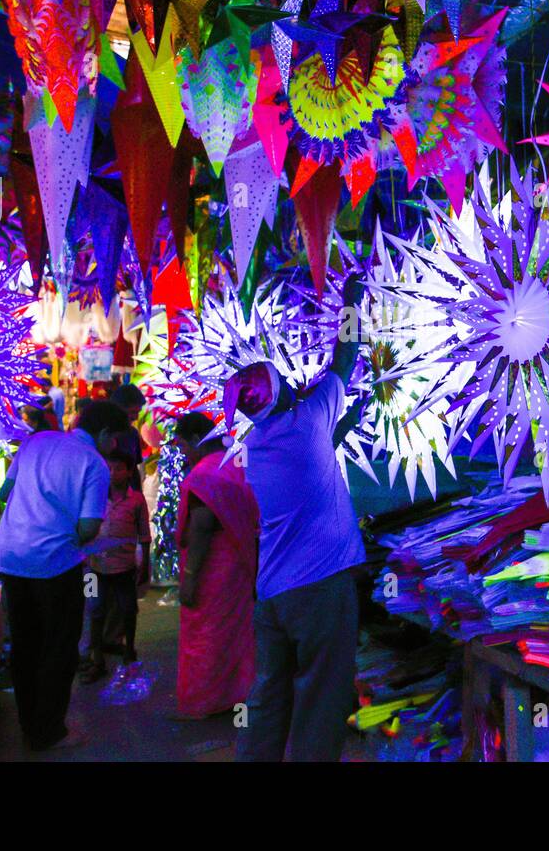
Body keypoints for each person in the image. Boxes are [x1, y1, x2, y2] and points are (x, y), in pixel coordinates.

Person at [230, 274, 366, 762]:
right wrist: (352, 301)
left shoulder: (259, 444)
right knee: (320, 699)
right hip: (319, 589)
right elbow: (344, 357)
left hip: (273, 596)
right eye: (283, 379)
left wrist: (345, 422)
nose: (292, 381)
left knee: (270, 698)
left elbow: (313, 459)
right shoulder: (309, 417)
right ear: (280, 393)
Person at [0, 400, 130, 751]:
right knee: (58, 646)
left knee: (25, 644)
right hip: (55, 564)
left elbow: (4, 493)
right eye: (114, 438)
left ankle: (30, 724)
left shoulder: (35, 441)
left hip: (10, 558)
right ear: (103, 433)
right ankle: (50, 731)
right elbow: (86, 529)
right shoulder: (94, 464)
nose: (114, 447)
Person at [172, 412, 259, 718]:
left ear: (197, 440)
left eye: (183, 446)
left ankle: (204, 701)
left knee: (205, 633)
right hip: (238, 562)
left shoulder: (205, 475)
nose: (182, 453)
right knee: (234, 632)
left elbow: (202, 527)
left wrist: (191, 577)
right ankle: (236, 695)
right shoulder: (235, 465)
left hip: (213, 567)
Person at [81, 451, 151, 683]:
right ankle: (96, 658)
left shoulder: (137, 500)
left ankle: (129, 651)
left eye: (119, 468)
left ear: (129, 472)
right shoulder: (95, 496)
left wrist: (146, 563)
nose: (113, 473)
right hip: (95, 567)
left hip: (124, 566)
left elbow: (144, 534)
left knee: (128, 609)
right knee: (95, 609)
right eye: (109, 469)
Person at [109, 382, 146, 468]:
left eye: (137, 412)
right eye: (132, 412)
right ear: (118, 409)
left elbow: (134, 470)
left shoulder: (133, 434)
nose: (136, 417)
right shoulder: (102, 435)